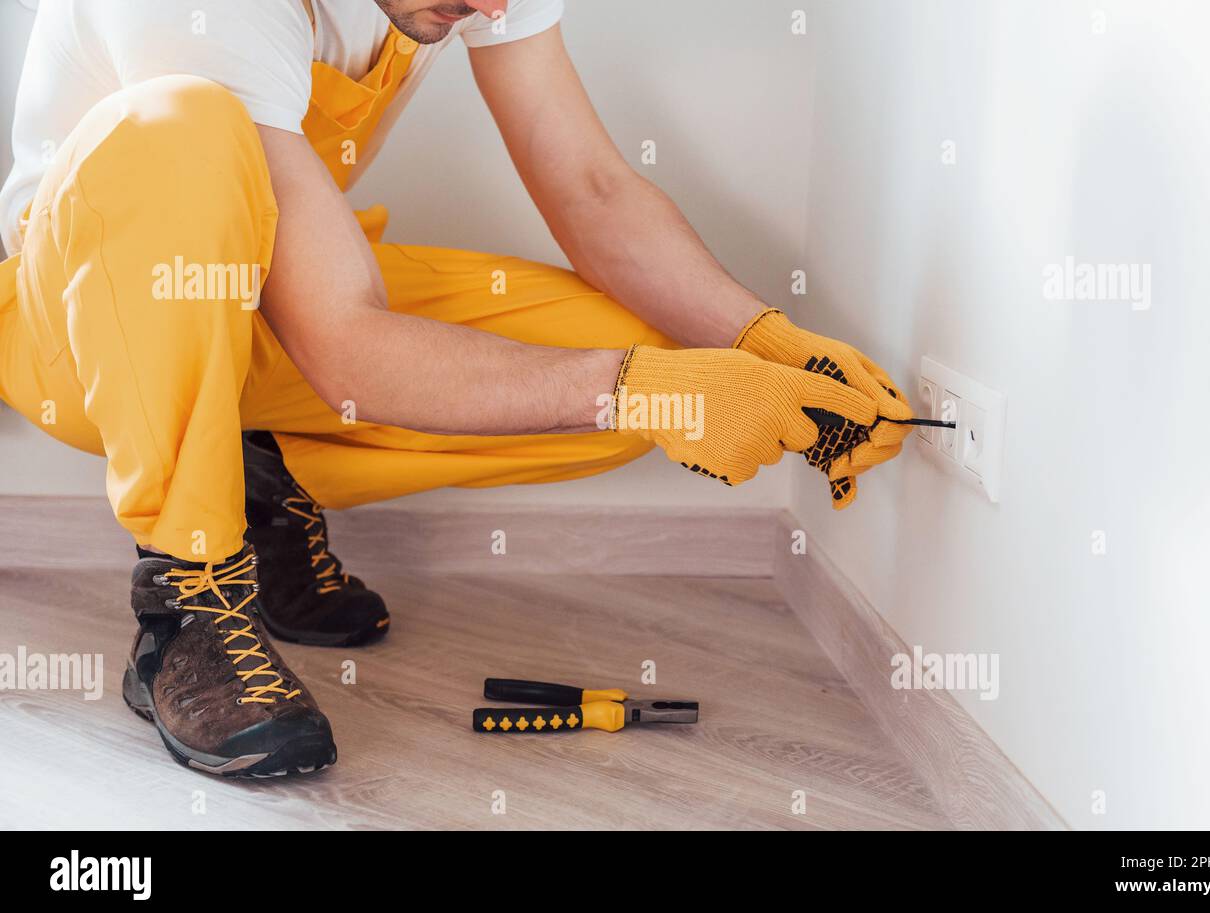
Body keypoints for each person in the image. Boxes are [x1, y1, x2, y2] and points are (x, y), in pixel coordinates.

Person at [0, 0, 911, 777]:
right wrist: (644, 390)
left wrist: (769, 347)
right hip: (88, 334)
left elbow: (592, 188)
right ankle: (190, 604)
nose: (492, 4)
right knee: (180, 129)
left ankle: (255, 479)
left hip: (269, 303)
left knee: (637, 348)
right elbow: (346, 345)